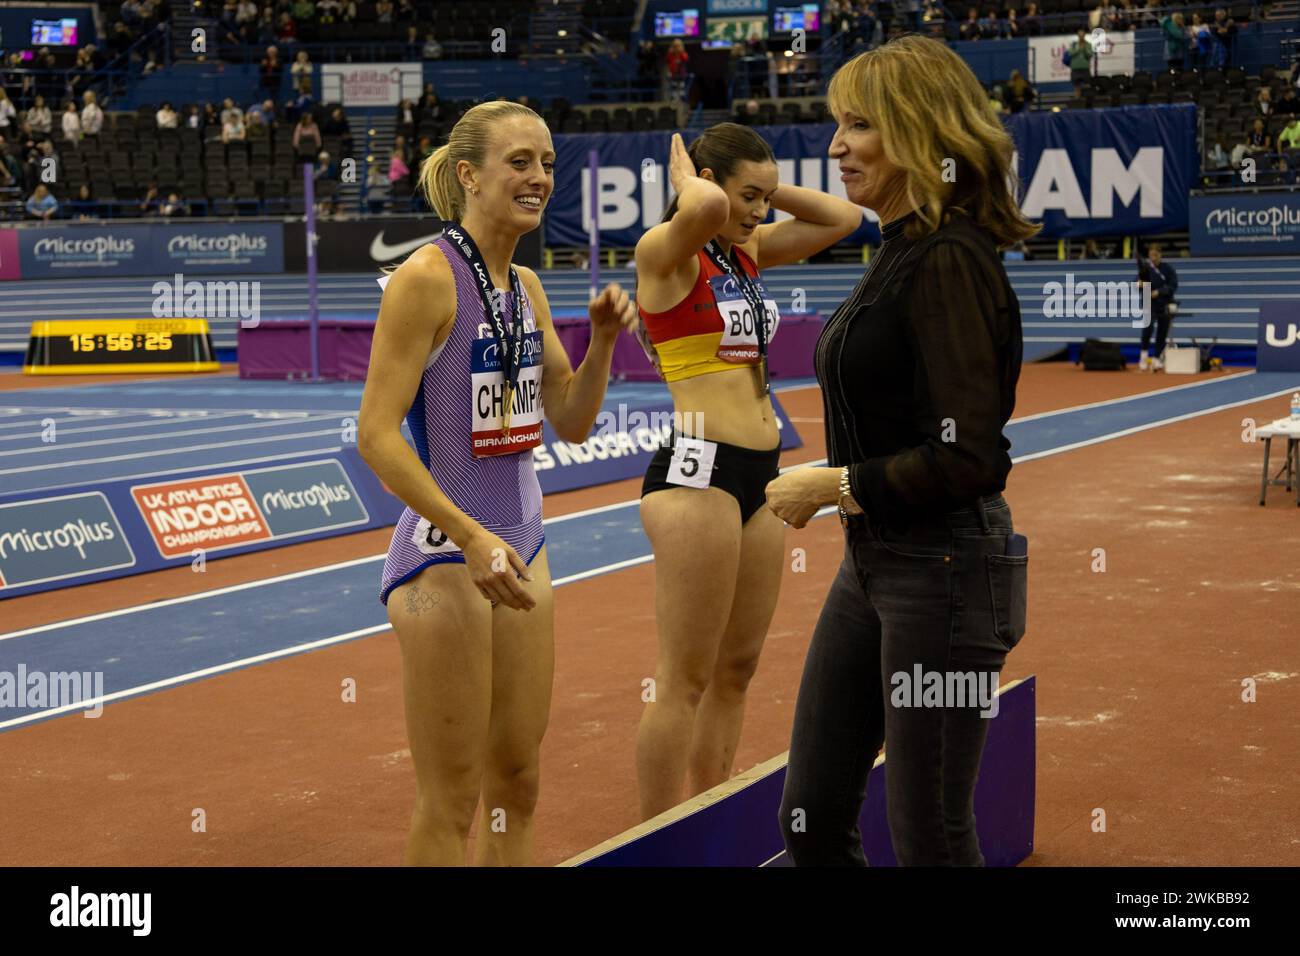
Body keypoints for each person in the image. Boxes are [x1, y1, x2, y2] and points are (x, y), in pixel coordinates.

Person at [768, 34, 1036, 866]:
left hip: (947, 576)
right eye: (836, 124)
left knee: (930, 836)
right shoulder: (902, 248)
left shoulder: (950, 259)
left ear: (919, 131)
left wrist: (833, 483)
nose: (835, 145)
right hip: (875, 567)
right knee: (810, 818)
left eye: (858, 125)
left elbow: (968, 459)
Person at [358, 100, 637, 865]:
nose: (539, 177)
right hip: (450, 556)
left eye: (546, 162)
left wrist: (605, 343)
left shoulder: (528, 290)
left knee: (518, 781)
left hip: (525, 546)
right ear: (467, 175)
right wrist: (474, 537)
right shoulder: (424, 279)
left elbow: (571, 421)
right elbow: (376, 435)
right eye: (520, 162)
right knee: (451, 799)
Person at [631, 124, 862, 820]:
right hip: (696, 473)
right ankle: (659, 838)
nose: (762, 213)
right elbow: (699, 212)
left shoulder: (746, 252)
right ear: (702, 179)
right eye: (750, 197)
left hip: (761, 473)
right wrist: (693, 188)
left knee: (736, 671)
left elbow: (846, 218)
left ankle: (711, 816)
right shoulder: (664, 256)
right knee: (685, 677)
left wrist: (760, 190)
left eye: (767, 199)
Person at [1138, 242, 1177, 371]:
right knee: (1147, 328)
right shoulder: (1146, 269)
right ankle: (1143, 356)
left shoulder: (1168, 269)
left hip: (1164, 302)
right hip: (1149, 303)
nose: (1153, 258)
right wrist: (1139, 284)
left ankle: (1156, 358)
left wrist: (1159, 292)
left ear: (1160, 255)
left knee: (1162, 330)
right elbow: (1137, 283)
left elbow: (1173, 286)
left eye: (1155, 255)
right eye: (1151, 255)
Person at [1067, 28, 1093, 98]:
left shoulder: (1088, 45)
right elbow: (1070, 54)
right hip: (1075, 68)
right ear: (1078, 36)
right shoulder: (1073, 44)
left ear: (1084, 35)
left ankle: (1087, 99)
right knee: (1076, 86)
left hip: (1085, 68)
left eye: (1082, 35)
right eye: (1080, 35)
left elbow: (1090, 55)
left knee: (1087, 85)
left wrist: (1084, 49)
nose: (1081, 36)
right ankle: (1077, 99)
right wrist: (1078, 50)